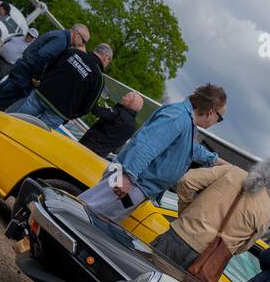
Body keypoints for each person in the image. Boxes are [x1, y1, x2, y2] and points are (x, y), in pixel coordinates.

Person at [76, 83, 225, 222]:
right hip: (130, 183)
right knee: (82, 216)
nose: (216, 123)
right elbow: (146, 145)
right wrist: (128, 177)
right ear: (211, 112)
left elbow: (192, 149)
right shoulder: (178, 117)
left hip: (134, 185)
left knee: (92, 219)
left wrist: (219, 162)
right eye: (219, 119)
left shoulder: (186, 122)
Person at [151, 157, 270, 272]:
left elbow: (186, 181)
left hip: (178, 236)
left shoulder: (232, 172)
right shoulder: (268, 213)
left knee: (141, 278)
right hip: (206, 262)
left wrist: (186, 208)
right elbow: (243, 247)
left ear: (264, 166)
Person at [0, 23, 89, 133]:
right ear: (76, 34)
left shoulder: (59, 35)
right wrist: (37, 78)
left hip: (21, 69)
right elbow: (43, 56)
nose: (83, 44)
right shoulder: (61, 40)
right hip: (25, 76)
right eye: (84, 40)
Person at [7, 43, 112, 130]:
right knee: (32, 135)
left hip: (42, 95)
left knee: (14, 121)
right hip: (58, 112)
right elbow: (87, 107)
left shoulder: (72, 52)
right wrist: (70, 115)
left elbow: (49, 66)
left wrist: (43, 83)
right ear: (106, 57)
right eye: (109, 61)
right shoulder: (99, 79)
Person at [79, 91, 144, 158]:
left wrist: (93, 96)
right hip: (100, 156)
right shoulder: (133, 127)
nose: (123, 97)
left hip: (86, 147)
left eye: (125, 96)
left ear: (130, 102)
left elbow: (96, 111)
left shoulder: (117, 113)